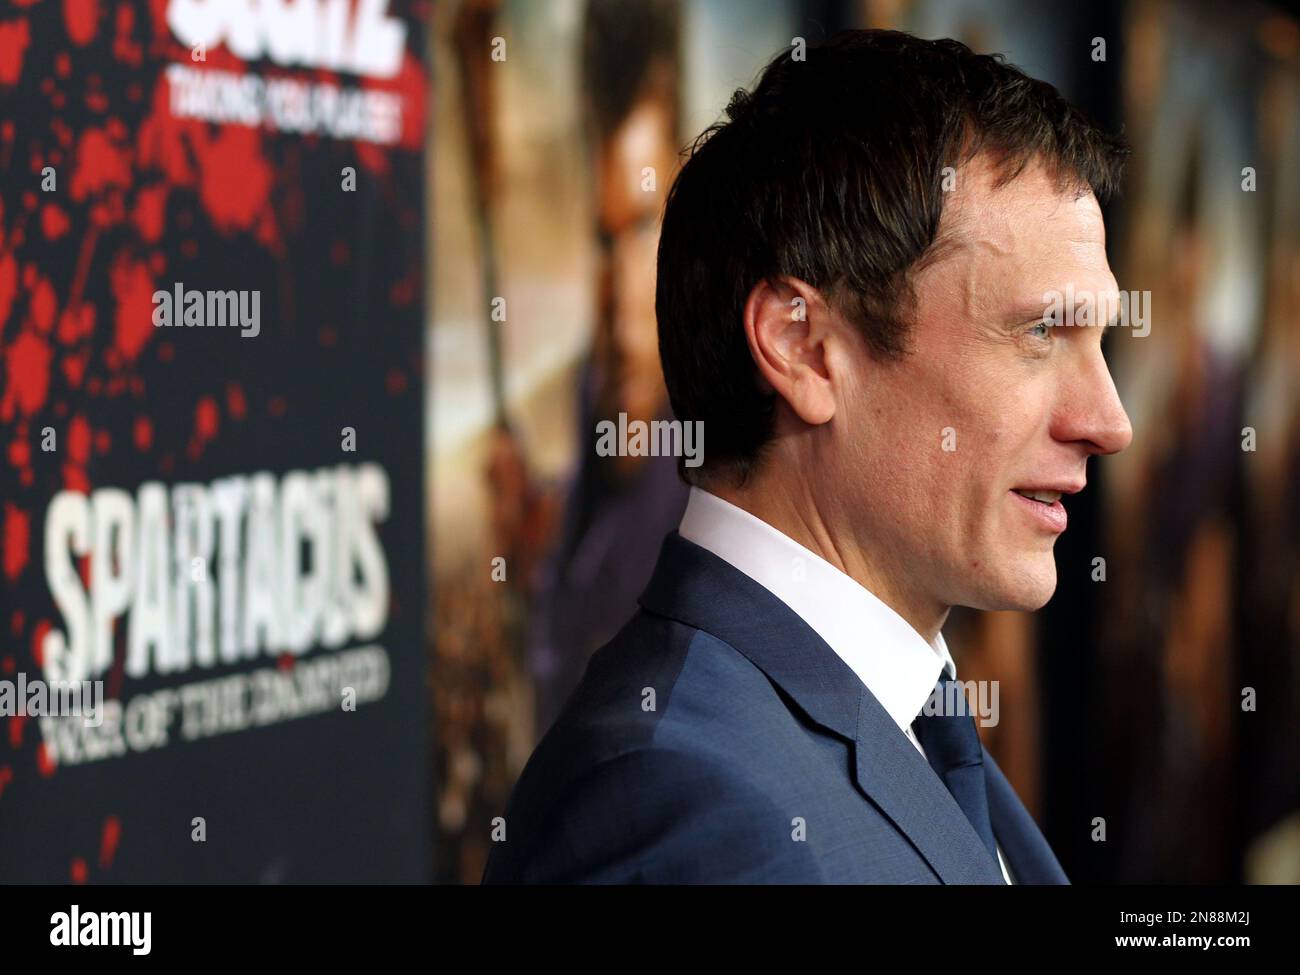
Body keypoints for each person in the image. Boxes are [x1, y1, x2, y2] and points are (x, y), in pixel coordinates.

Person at [483, 29, 1133, 884]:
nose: (1109, 420)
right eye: (1041, 331)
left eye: (1099, 337)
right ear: (805, 347)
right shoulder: (679, 804)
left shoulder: (898, 715)